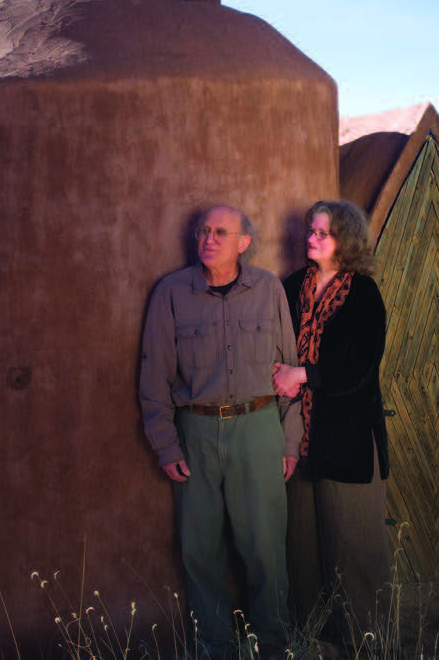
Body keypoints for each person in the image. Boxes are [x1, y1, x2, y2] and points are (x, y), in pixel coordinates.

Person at [140, 204, 301, 659]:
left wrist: (289, 439)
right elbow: (153, 377)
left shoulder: (268, 289)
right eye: (204, 231)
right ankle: (214, 647)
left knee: (266, 546)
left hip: (258, 429)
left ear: (243, 243)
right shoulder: (171, 293)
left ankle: (272, 644)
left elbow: (287, 366)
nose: (209, 239)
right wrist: (165, 443)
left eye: (221, 232)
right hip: (196, 433)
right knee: (200, 551)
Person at [271, 200, 391, 636]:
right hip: (296, 436)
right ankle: (311, 638)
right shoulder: (291, 286)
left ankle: (366, 640)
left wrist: (301, 374)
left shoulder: (363, 293)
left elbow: (360, 367)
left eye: (323, 233)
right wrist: (278, 376)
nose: (312, 239)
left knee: (353, 546)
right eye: (311, 231)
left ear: (347, 240)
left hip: (348, 439)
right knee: (300, 547)